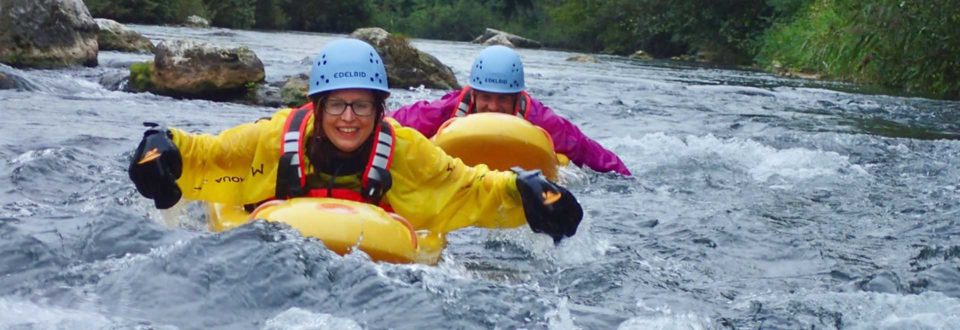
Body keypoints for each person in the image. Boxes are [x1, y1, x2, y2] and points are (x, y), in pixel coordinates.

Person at [128, 39, 582, 243]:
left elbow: (467, 187)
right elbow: (208, 154)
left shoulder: (405, 150)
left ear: (379, 109)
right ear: (317, 107)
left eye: (361, 106)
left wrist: (522, 190)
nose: (349, 118)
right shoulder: (273, 138)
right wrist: (162, 145)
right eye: (337, 106)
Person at [389, 45, 631, 176]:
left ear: (517, 98)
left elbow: (586, 150)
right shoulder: (450, 108)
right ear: (473, 94)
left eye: (503, 99)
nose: (493, 107)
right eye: (486, 97)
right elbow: (396, 123)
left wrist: (624, 178)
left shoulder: (540, 120)